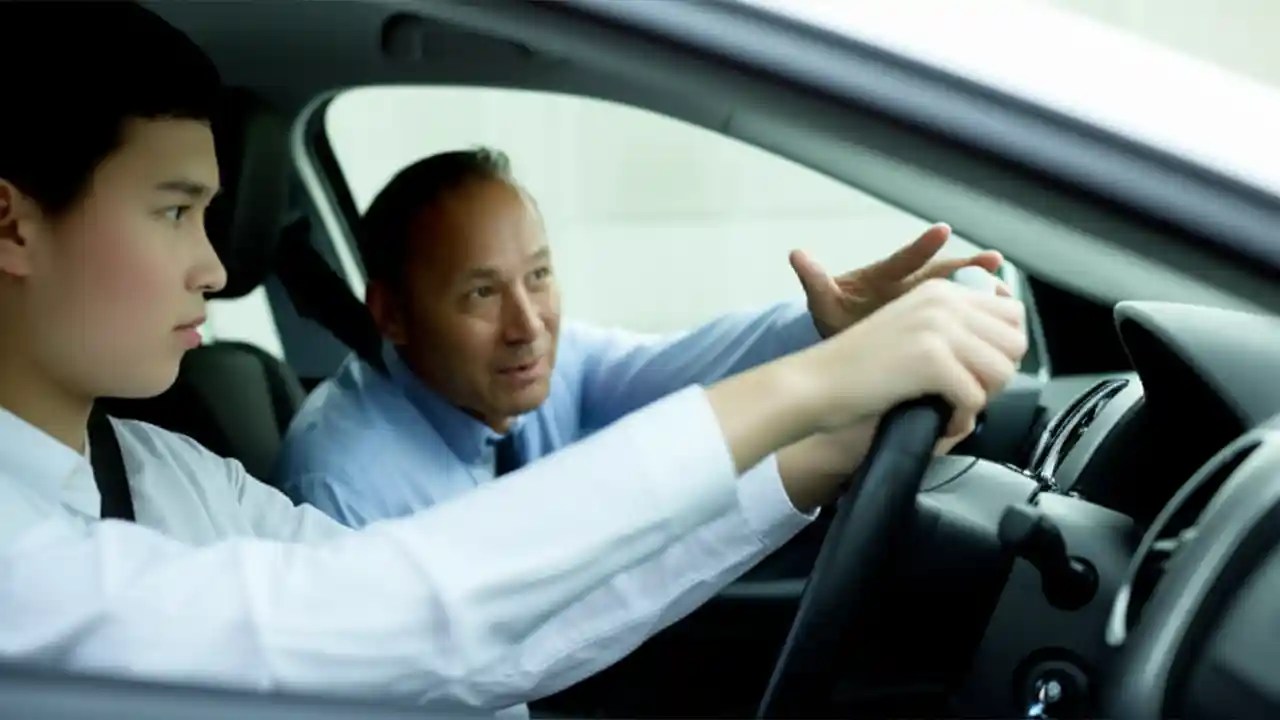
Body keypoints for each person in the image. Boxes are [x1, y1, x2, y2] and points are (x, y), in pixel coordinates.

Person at [0, 0, 1027, 714]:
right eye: (174, 212)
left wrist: (819, 452)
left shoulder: (162, 474)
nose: (214, 269)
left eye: (210, 216)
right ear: (10, 227)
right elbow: (396, 613)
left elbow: (484, 638)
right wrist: (809, 389)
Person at [275, 148, 1005, 527]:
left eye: (538, 276)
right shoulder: (341, 485)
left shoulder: (543, 371)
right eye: (481, 293)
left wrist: (821, 328)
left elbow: (682, 366)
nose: (528, 326)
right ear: (392, 315)